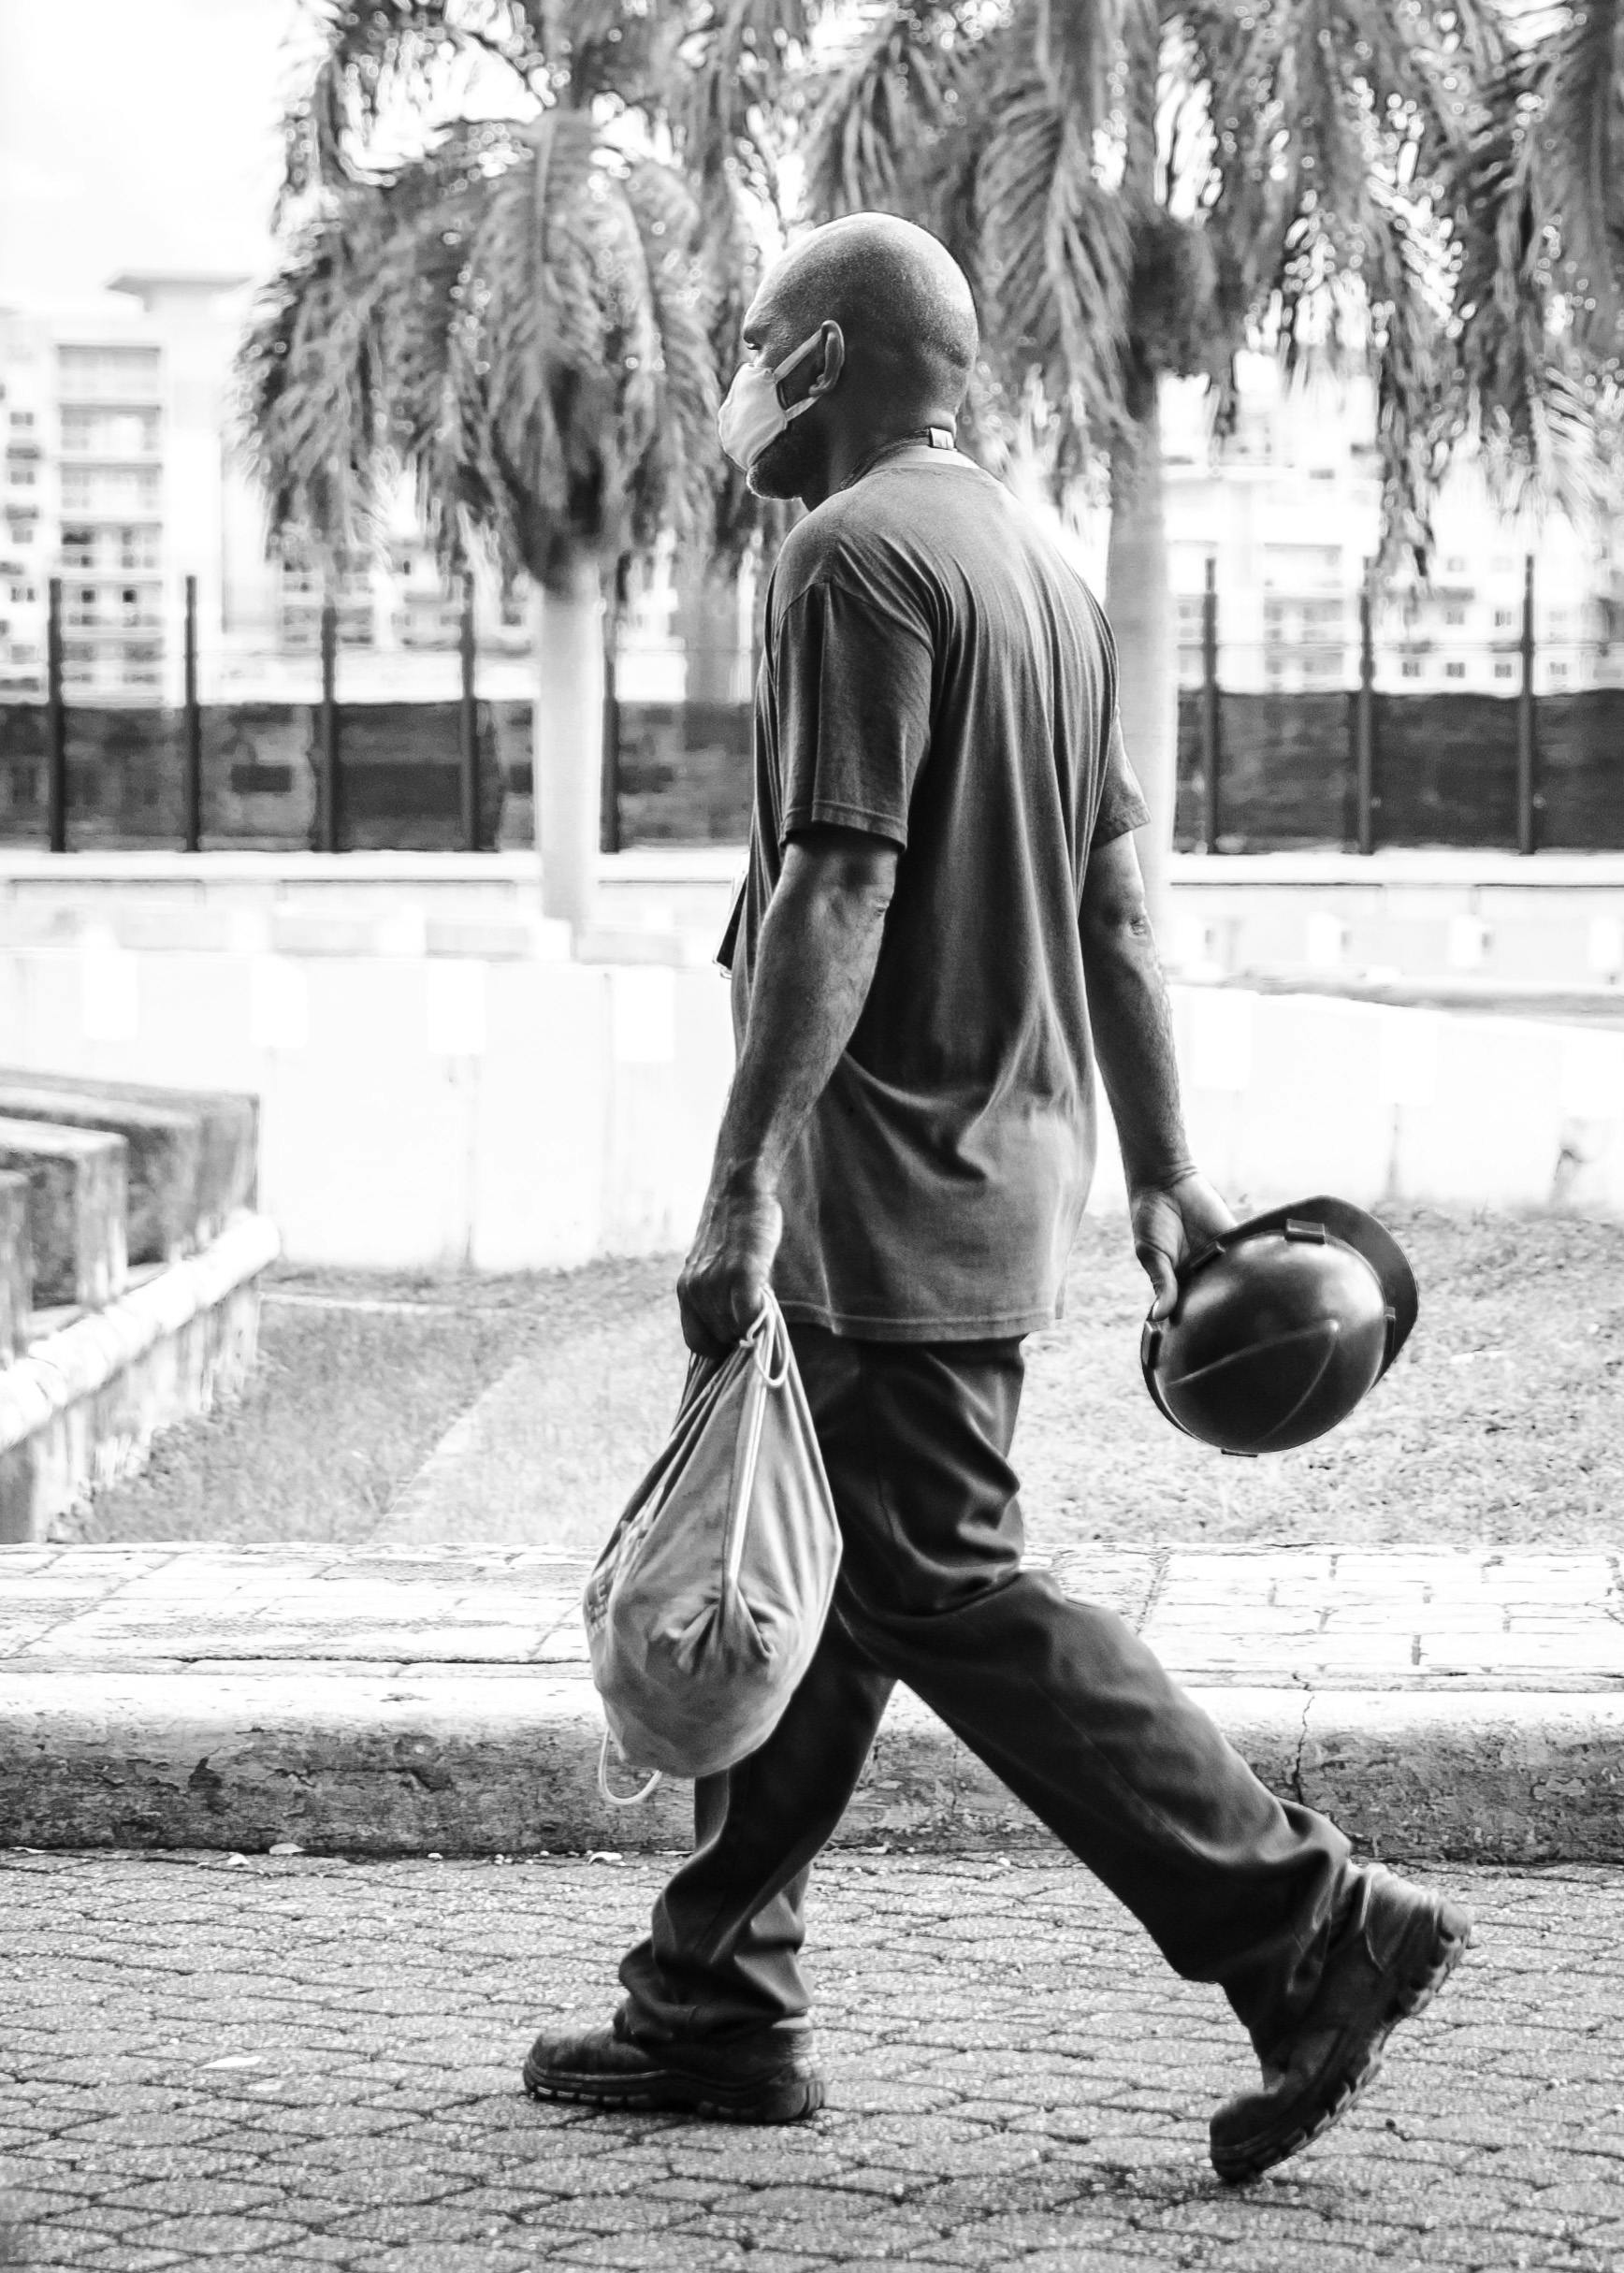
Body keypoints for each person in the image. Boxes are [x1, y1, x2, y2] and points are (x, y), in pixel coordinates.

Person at [523, 212, 1470, 2183]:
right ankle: (713, 1999)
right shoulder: (1043, 573)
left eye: (759, 339)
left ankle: (1310, 1926)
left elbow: (839, 883)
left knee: (940, 1580)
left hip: (877, 1184)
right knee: (845, 1582)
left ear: (830, 357)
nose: (741, 377)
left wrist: (740, 1188)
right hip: (998, 1174)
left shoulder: (850, 555)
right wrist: (1167, 1167)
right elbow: (1119, 904)